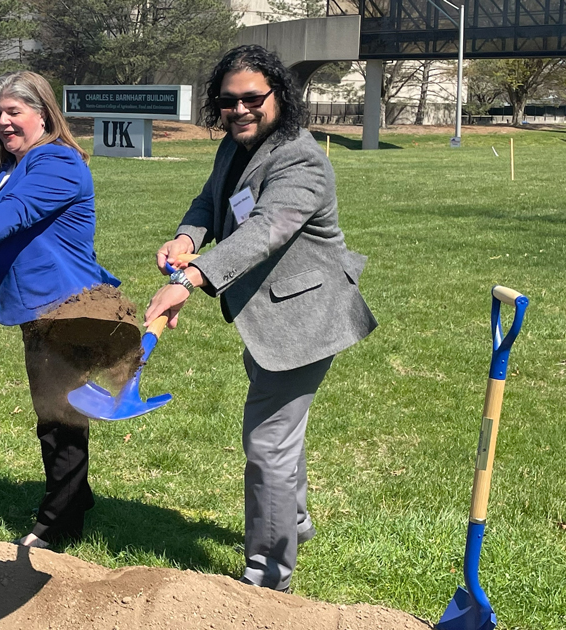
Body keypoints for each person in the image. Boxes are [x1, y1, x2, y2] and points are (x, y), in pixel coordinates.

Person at [145, 45, 377, 592]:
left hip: (308, 316)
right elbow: (210, 200)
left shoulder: (301, 160)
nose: (240, 109)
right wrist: (187, 237)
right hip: (269, 314)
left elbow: (265, 230)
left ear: (279, 95)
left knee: (269, 442)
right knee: (280, 433)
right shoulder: (236, 144)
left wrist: (192, 278)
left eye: (252, 98)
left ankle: (268, 578)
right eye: (229, 100)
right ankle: (294, 522)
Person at [0, 71, 122, 549]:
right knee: (54, 410)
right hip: (34, 307)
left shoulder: (58, 162)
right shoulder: (1, 169)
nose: (3, 121)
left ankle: (58, 524)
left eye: (14, 111)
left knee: (60, 418)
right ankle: (74, 498)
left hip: (68, 306)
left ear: (43, 114)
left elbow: (16, 212)